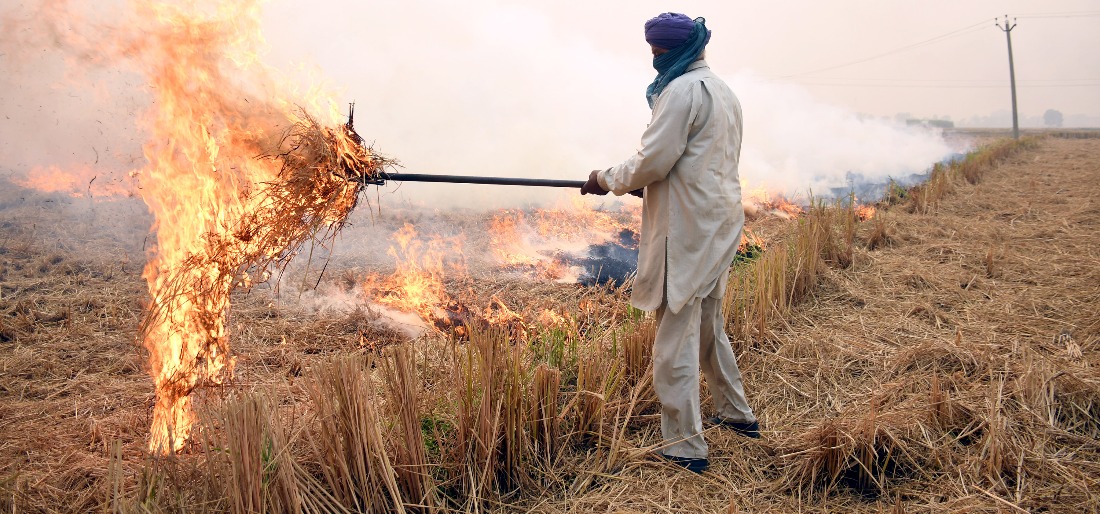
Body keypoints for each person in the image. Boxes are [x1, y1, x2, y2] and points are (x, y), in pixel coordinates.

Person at [580, 12, 758, 474]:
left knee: (674, 336)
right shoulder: (723, 90)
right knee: (708, 324)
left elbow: (654, 160)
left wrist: (605, 179)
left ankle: (684, 445)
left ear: (674, 49)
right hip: (719, 222)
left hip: (689, 229)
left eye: (657, 52)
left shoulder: (681, 92)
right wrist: (649, 182)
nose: (655, 60)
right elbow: (697, 159)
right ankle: (737, 413)